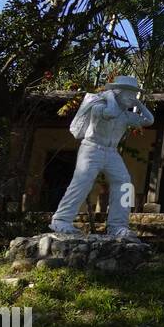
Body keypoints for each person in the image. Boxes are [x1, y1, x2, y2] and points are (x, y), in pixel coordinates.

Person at [49, 75, 154, 239]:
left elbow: (149, 120)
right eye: (129, 94)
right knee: (82, 183)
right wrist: (110, 96)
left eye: (135, 94)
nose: (132, 98)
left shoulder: (126, 115)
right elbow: (110, 113)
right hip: (91, 148)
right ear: (117, 92)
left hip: (111, 152)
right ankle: (61, 220)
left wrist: (138, 103)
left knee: (125, 184)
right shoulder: (98, 106)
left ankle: (118, 226)